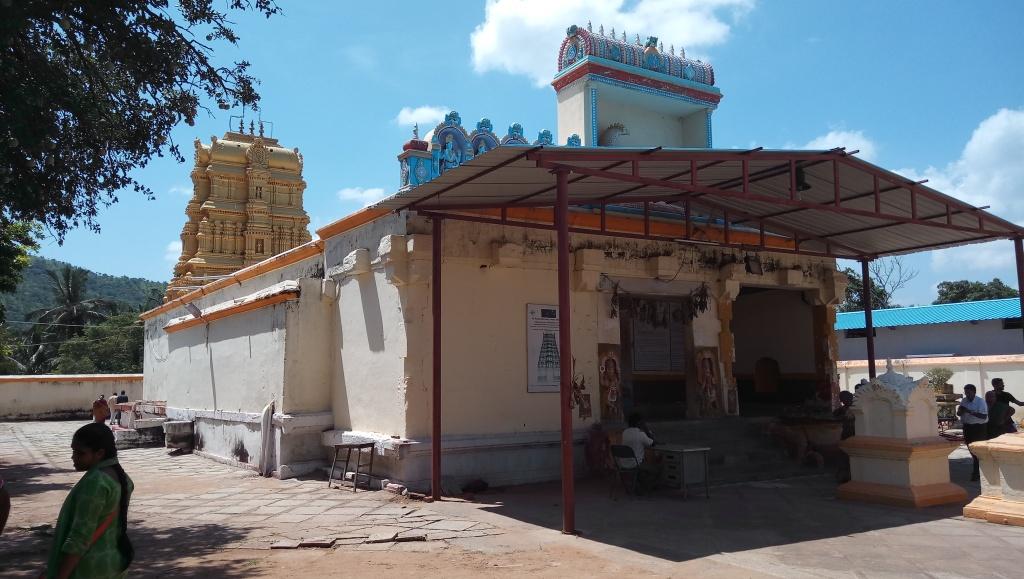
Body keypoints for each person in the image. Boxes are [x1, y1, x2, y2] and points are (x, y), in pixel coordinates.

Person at [44, 423, 134, 579]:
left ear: (99, 453)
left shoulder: (95, 482)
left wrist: (60, 574)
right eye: (73, 451)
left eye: (80, 453)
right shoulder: (122, 478)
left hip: (89, 567)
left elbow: (80, 536)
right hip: (114, 562)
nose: (73, 457)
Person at [619, 413, 660, 492]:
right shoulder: (641, 434)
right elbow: (653, 443)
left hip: (623, 464)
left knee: (643, 467)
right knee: (657, 469)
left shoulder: (625, 432)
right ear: (639, 423)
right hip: (636, 464)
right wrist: (646, 430)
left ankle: (639, 485)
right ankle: (646, 488)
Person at [958, 384, 989, 482]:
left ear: (974, 392)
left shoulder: (980, 401)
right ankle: (977, 471)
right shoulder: (964, 401)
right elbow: (959, 413)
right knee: (971, 449)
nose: (967, 394)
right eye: (965, 392)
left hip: (978, 428)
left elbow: (983, 416)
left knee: (978, 450)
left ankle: (977, 473)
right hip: (967, 427)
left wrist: (969, 411)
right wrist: (960, 411)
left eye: (969, 392)